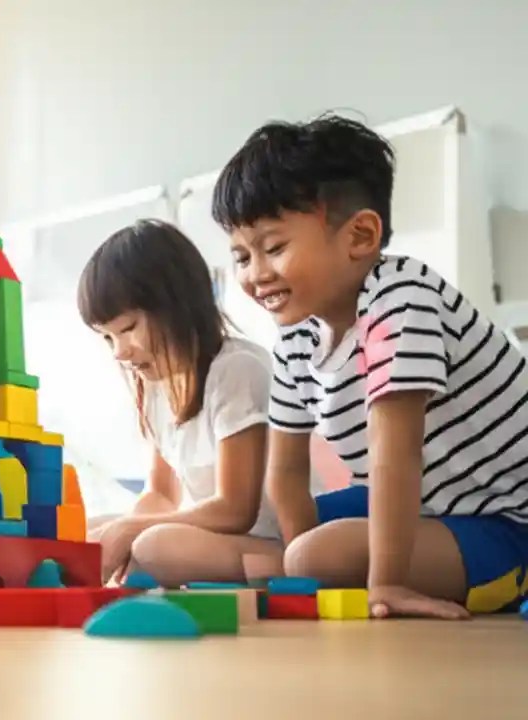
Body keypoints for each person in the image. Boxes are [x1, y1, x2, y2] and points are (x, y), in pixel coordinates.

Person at [214, 113, 528, 619]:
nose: (256, 274)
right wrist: (302, 574)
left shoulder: (400, 299)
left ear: (360, 236)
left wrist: (387, 584)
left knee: (320, 552)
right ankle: (298, 564)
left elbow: (395, 454)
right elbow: (287, 470)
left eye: (274, 248)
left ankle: (389, 571)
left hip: (507, 519)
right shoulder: (297, 337)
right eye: (242, 256)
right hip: (428, 510)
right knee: (280, 532)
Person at [79, 218, 287, 586]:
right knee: (88, 533)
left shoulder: (237, 369)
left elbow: (236, 509)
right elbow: (160, 494)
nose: (120, 352)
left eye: (128, 329)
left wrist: (133, 532)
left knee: (157, 546)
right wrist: (120, 533)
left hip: (270, 543)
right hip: (217, 539)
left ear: (174, 304)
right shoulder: (156, 387)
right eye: (108, 338)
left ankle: (283, 574)